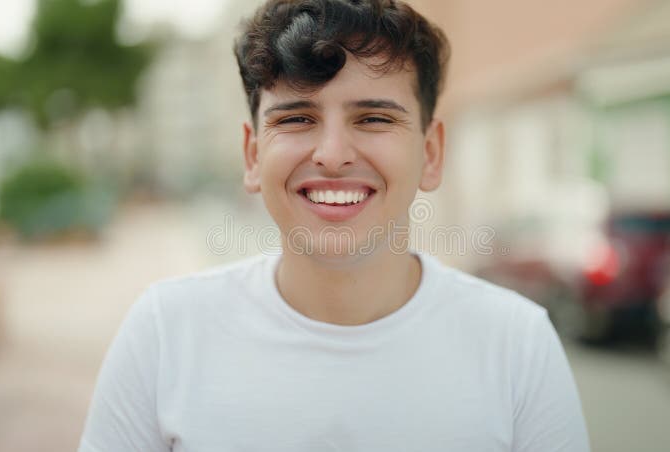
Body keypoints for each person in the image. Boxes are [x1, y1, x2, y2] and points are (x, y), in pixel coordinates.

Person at [78, 1, 590, 451]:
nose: (332, 154)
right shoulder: (166, 333)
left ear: (431, 153)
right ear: (252, 156)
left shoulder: (517, 345)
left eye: (374, 119)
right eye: (296, 119)